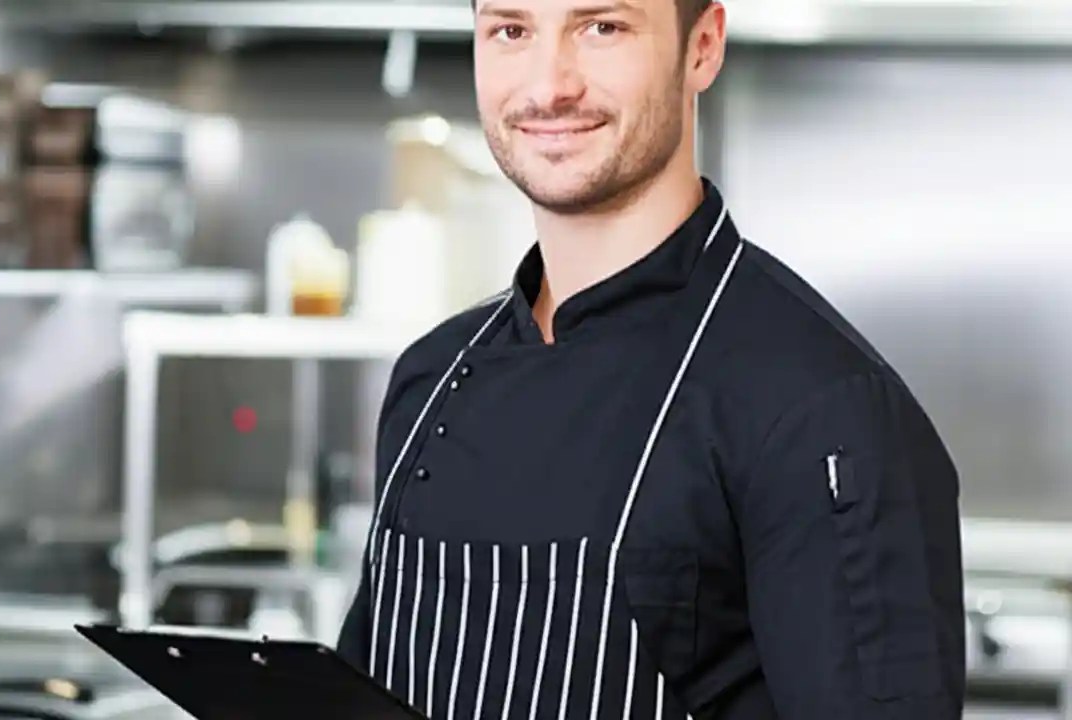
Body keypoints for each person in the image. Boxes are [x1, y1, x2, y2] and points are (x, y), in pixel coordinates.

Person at [336, 0, 966, 717]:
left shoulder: (825, 408)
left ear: (701, 47)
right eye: (511, 31)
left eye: (601, 27)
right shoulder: (430, 376)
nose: (549, 87)